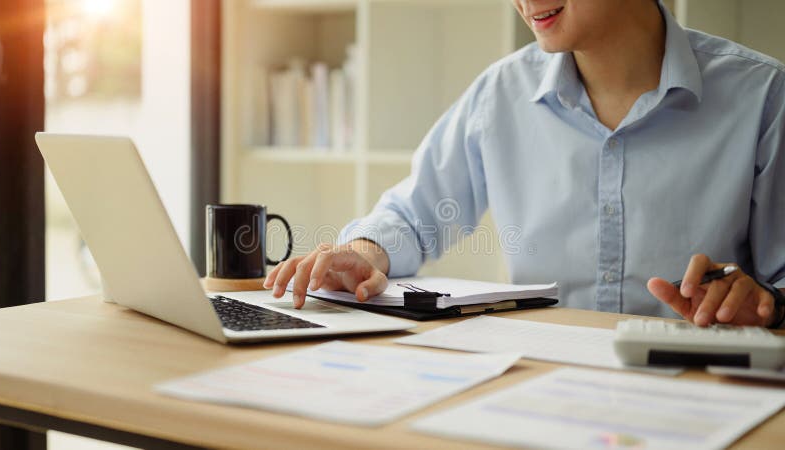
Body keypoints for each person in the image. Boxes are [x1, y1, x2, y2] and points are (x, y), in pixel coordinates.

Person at [264, 0, 785, 328]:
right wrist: (365, 251)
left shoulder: (760, 95)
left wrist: (763, 303)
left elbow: (779, 290)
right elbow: (414, 213)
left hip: (701, 390)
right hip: (537, 384)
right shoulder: (501, 93)